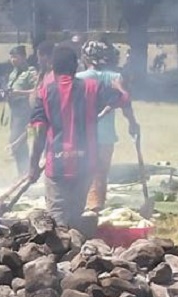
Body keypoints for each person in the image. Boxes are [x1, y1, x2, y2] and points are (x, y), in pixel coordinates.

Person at [28, 45, 129, 233]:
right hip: (84, 165)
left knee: (57, 221)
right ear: (76, 67)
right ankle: (75, 255)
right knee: (75, 218)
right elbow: (122, 100)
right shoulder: (92, 88)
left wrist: (33, 165)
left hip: (56, 164)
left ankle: (58, 256)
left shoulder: (45, 92)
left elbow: (39, 130)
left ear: (54, 68)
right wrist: (121, 89)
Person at [76, 40, 140, 213]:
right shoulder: (115, 77)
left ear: (85, 57)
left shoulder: (79, 79)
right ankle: (98, 205)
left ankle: (83, 206)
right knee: (102, 171)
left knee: (84, 171)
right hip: (106, 135)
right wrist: (132, 123)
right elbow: (126, 104)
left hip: (83, 134)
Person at [3, 45, 38, 177]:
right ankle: (23, 172)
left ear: (23, 57)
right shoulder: (13, 73)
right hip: (14, 111)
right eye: (11, 57)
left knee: (16, 141)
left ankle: (25, 171)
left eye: (15, 57)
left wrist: (19, 93)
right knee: (18, 143)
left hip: (25, 111)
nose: (13, 60)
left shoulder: (31, 72)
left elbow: (37, 90)